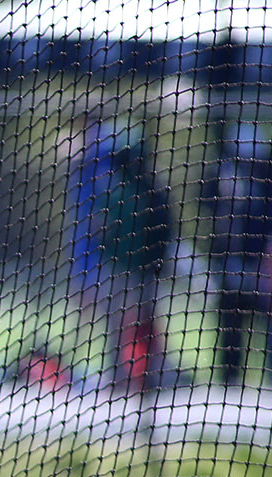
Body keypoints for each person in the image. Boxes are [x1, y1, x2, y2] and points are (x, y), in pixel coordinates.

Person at [199, 122, 272, 386]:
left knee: (271, 320)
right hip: (232, 261)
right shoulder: (225, 170)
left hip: (268, 261)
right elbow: (206, 204)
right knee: (230, 319)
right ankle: (229, 377)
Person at [68, 117, 175, 394]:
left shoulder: (116, 194)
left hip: (120, 272)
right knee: (142, 326)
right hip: (140, 272)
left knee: (123, 329)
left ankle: (128, 377)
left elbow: (99, 231)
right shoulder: (152, 192)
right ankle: (147, 376)